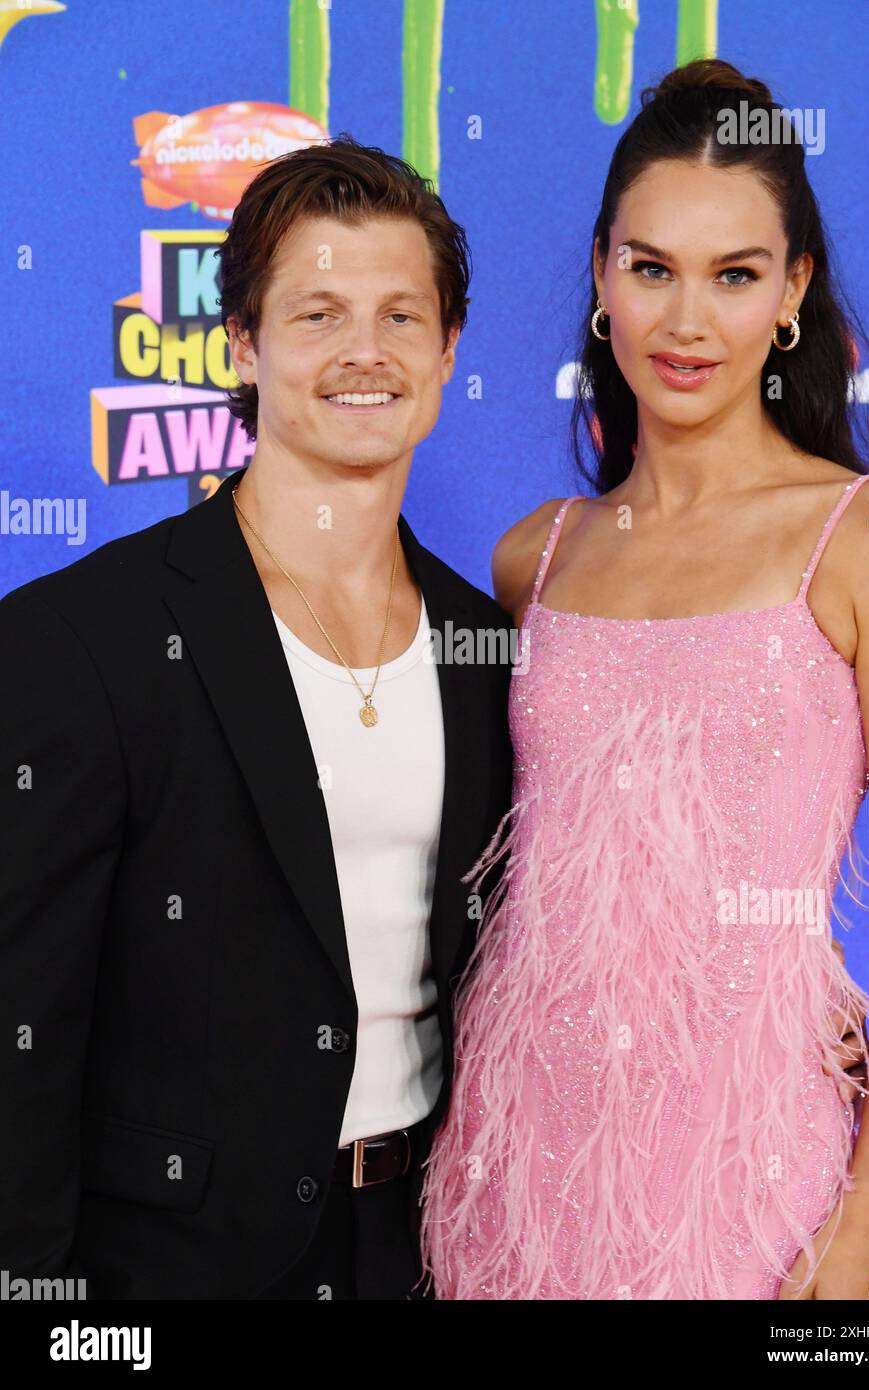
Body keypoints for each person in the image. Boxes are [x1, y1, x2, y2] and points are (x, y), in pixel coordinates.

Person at [419, 60, 869, 1300]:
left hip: (752, 1182)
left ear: (794, 291)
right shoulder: (533, 556)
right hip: (509, 1163)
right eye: (651, 267)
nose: (686, 320)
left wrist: (868, 1217)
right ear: (602, 275)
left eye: (735, 274)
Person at [0, 136, 513, 1299]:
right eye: (318, 312)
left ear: (446, 351)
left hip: (428, 1253)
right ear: (242, 343)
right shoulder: (82, 639)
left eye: (399, 315)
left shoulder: (488, 645)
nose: (364, 353)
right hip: (168, 1271)